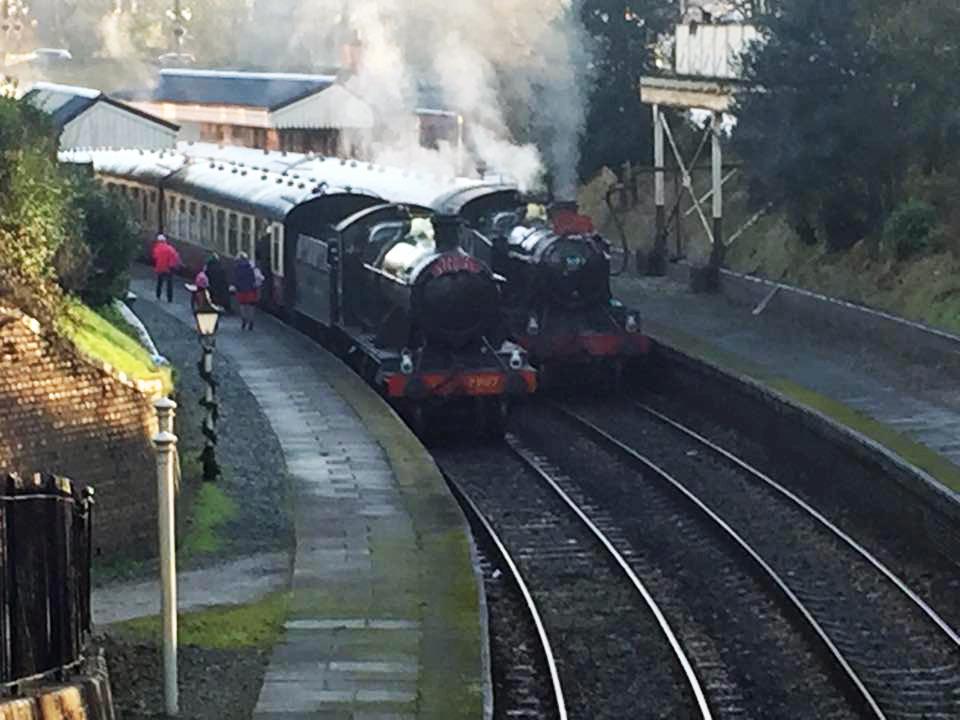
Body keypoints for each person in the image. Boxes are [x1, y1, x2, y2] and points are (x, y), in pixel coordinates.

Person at [152, 234, 181, 303]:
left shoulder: (156, 248)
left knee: (159, 282)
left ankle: (158, 295)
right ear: (165, 240)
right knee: (169, 284)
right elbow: (175, 256)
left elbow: (154, 257)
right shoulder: (170, 248)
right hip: (168, 268)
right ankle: (169, 298)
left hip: (160, 268)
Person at [233, 252, 258, 331]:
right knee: (251, 307)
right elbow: (253, 280)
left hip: (241, 291)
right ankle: (251, 321)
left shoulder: (237, 269)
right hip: (250, 290)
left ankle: (244, 320)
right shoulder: (250, 269)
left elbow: (236, 280)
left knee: (243, 306)